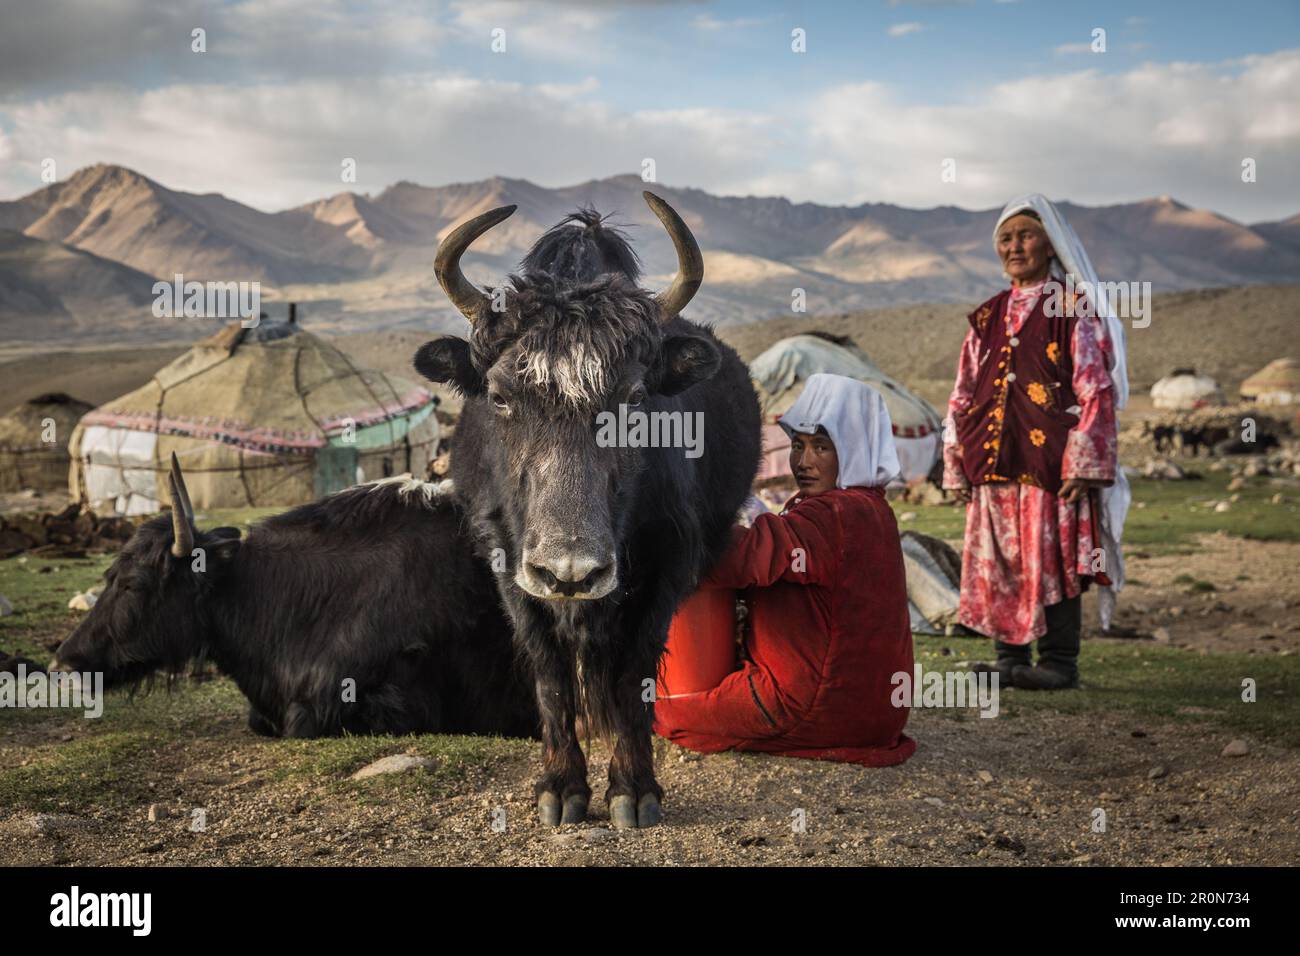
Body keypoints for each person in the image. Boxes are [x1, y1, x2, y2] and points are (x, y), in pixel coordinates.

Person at [653, 373, 916, 767]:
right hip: (880, 711)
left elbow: (742, 559)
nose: (803, 462)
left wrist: (673, 526)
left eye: (821, 447)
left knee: (668, 714)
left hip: (810, 703)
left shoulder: (835, 513)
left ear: (853, 449)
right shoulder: (873, 509)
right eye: (798, 445)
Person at [942, 194, 1129, 690]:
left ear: (1050, 244)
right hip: (992, 459)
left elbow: (1095, 385)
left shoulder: (1072, 309)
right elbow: (962, 392)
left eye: (1025, 235)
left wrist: (1083, 460)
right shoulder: (986, 317)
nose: (1014, 245)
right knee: (999, 561)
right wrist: (955, 459)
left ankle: (1060, 664)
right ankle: (1010, 660)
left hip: (1051, 465)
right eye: (1005, 238)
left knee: (1054, 560)